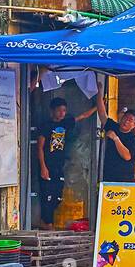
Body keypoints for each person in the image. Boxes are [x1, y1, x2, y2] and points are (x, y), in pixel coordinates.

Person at [34, 94, 98, 229]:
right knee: (47, 195)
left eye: (64, 110)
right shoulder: (46, 126)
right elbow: (39, 147)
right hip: (47, 164)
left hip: (59, 165)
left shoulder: (65, 123)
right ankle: (47, 223)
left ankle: (46, 222)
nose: (62, 113)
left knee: (57, 195)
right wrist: (43, 167)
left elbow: (83, 116)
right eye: (59, 110)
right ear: (52, 111)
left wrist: (98, 106)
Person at [98, 104, 135, 184]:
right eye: (125, 118)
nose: (126, 121)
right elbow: (102, 115)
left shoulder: (134, 140)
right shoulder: (114, 127)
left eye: (130, 120)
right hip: (107, 176)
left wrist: (116, 139)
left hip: (123, 179)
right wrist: (99, 97)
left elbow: (127, 156)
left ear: (134, 125)